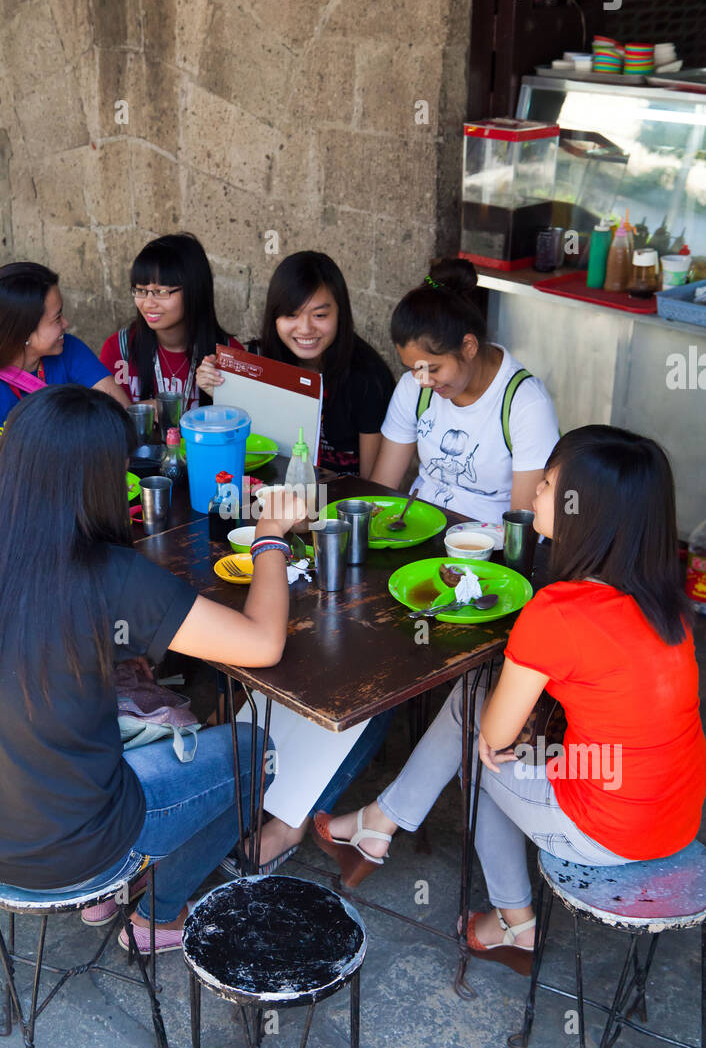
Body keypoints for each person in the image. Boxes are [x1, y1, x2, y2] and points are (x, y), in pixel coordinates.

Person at [0, 384, 309, 952]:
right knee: (256, 750)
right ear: (103, 479)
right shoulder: (113, 576)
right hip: (71, 851)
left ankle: (116, 883)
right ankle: (158, 913)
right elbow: (263, 643)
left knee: (112, 711)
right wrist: (270, 537)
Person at [316, 427, 706, 971]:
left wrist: (499, 736)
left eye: (548, 485)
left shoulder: (559, 611)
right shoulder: (669, 607)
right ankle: (377, 826)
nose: (533, 497)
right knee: (477, 709)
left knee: (479, 744)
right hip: (678, 816)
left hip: (607, 830)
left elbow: (495, 741)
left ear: (585, 511)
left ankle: (510, 919)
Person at [370, 258, 559, 520]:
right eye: (413, 368)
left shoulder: (525, 404)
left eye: (432, 369)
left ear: (468, 346)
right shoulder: (414, 388)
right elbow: (381, 490)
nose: (422, 379)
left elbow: (523, 528)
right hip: (418, 531)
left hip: (490, 549)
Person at [199, 251, 395, 479]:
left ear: (341, 313)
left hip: (338, 505)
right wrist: (222, 390)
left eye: (319, 315)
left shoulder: (368, 378)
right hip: (266, 495)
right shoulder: (257, 360)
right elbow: (239, 451)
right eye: (291, 315)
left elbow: (370, 484)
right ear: (275, 317)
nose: (305, 329)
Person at [0, 261, 129, 462]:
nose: (66, 324)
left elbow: (120, 410)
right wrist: (62, 441)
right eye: (57, 317)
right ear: (23, 330)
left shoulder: (69, 349)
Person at [100, 233, 244, 409]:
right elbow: (104, 422)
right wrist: (143, 411)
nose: (148, 303)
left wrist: (224, 395)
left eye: (161, 292)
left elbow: (249, 425)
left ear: (194, 291)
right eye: (140, 290)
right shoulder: (119, 350)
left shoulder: (230, 355)